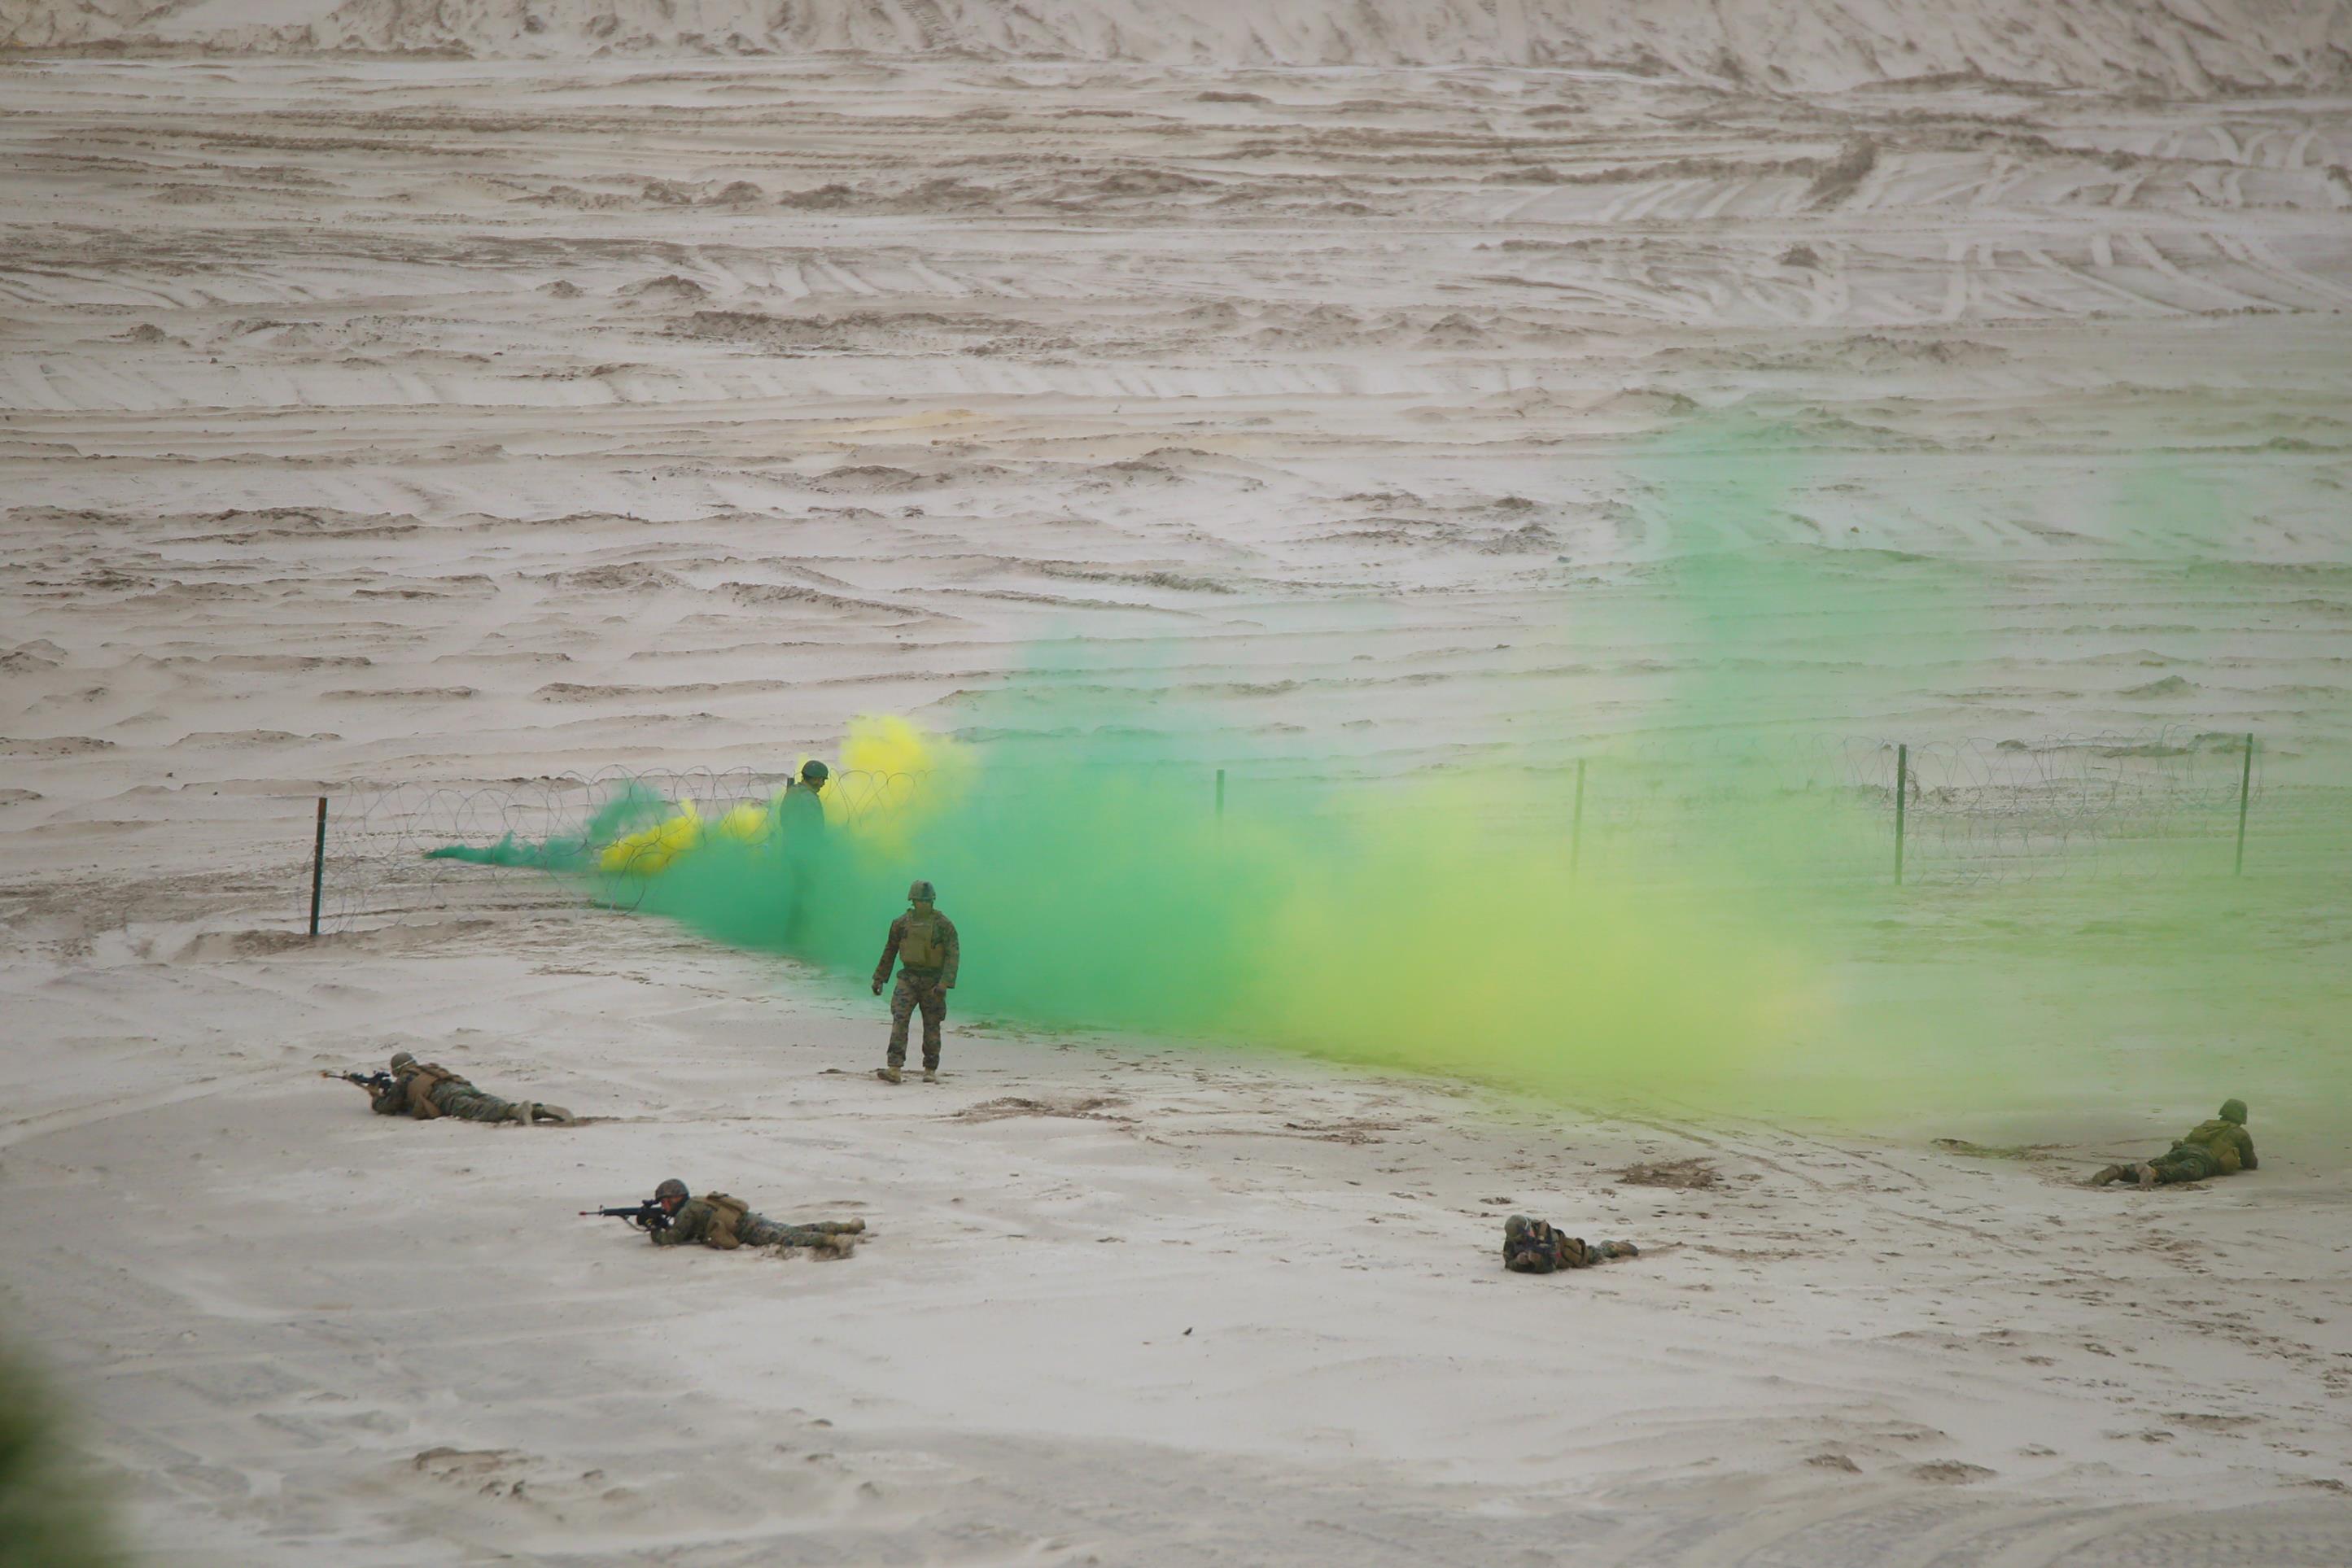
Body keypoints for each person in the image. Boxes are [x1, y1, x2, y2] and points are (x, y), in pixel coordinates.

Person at [872, 879, 960, 1083]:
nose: (923, 904)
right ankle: (894, 1067)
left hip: (933, 982)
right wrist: (880, 977)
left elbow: (952, 955)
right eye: (920, 900)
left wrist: (945, 982)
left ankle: (930, 1069)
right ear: (912, 901)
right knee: (900, 1018)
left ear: (933, 901)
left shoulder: (943, 925)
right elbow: (890, 951)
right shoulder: (901, 924)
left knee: (932, 1025)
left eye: (927, 901)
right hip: (908, 978)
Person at [646, 1178, 863, 1256]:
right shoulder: (697, 1202)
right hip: (750, 1220)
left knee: (788, 1238)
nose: (664, 1207)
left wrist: (654, 1230)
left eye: (665, 1202)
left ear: (675, 1198)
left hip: (746, 1230)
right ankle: (845, 1227)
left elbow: (675, 1238)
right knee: (793, 1229)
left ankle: (833, 1240)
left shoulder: (686, 1212)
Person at [354, 1050, 575, 1125]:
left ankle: (517, 1112)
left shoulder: (404, 1080)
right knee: (490, 1102)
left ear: (396, 1070)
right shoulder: (428, 1068)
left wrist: (374, 1095)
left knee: (480, 1112)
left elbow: (389, 1107)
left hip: (444, 1096)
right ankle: (536, 1110)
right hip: (461, 1086)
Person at [2092, 1098, 2258, 1189]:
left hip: (2183, 1149)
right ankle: (2154, 1174)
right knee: (2177, 1171)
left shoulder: (2208, 1124)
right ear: (2242, 1116)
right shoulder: (2239, 1133)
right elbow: (2250, 1163)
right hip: (2203, 1158)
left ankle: (2122, 1171)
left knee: (2154, 1164)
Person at [1502, 1214, 1638, 1274]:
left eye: (1527, 1235)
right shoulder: (1513, 1238)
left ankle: (1609, 1247)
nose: (1525, 1239)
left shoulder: (1547, 1233)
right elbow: (1508, 1261)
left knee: (1587, 1255)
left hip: (1563, 1250)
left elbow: (1551, 1267)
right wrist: (1518, 1262)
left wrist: (1538, 1261)